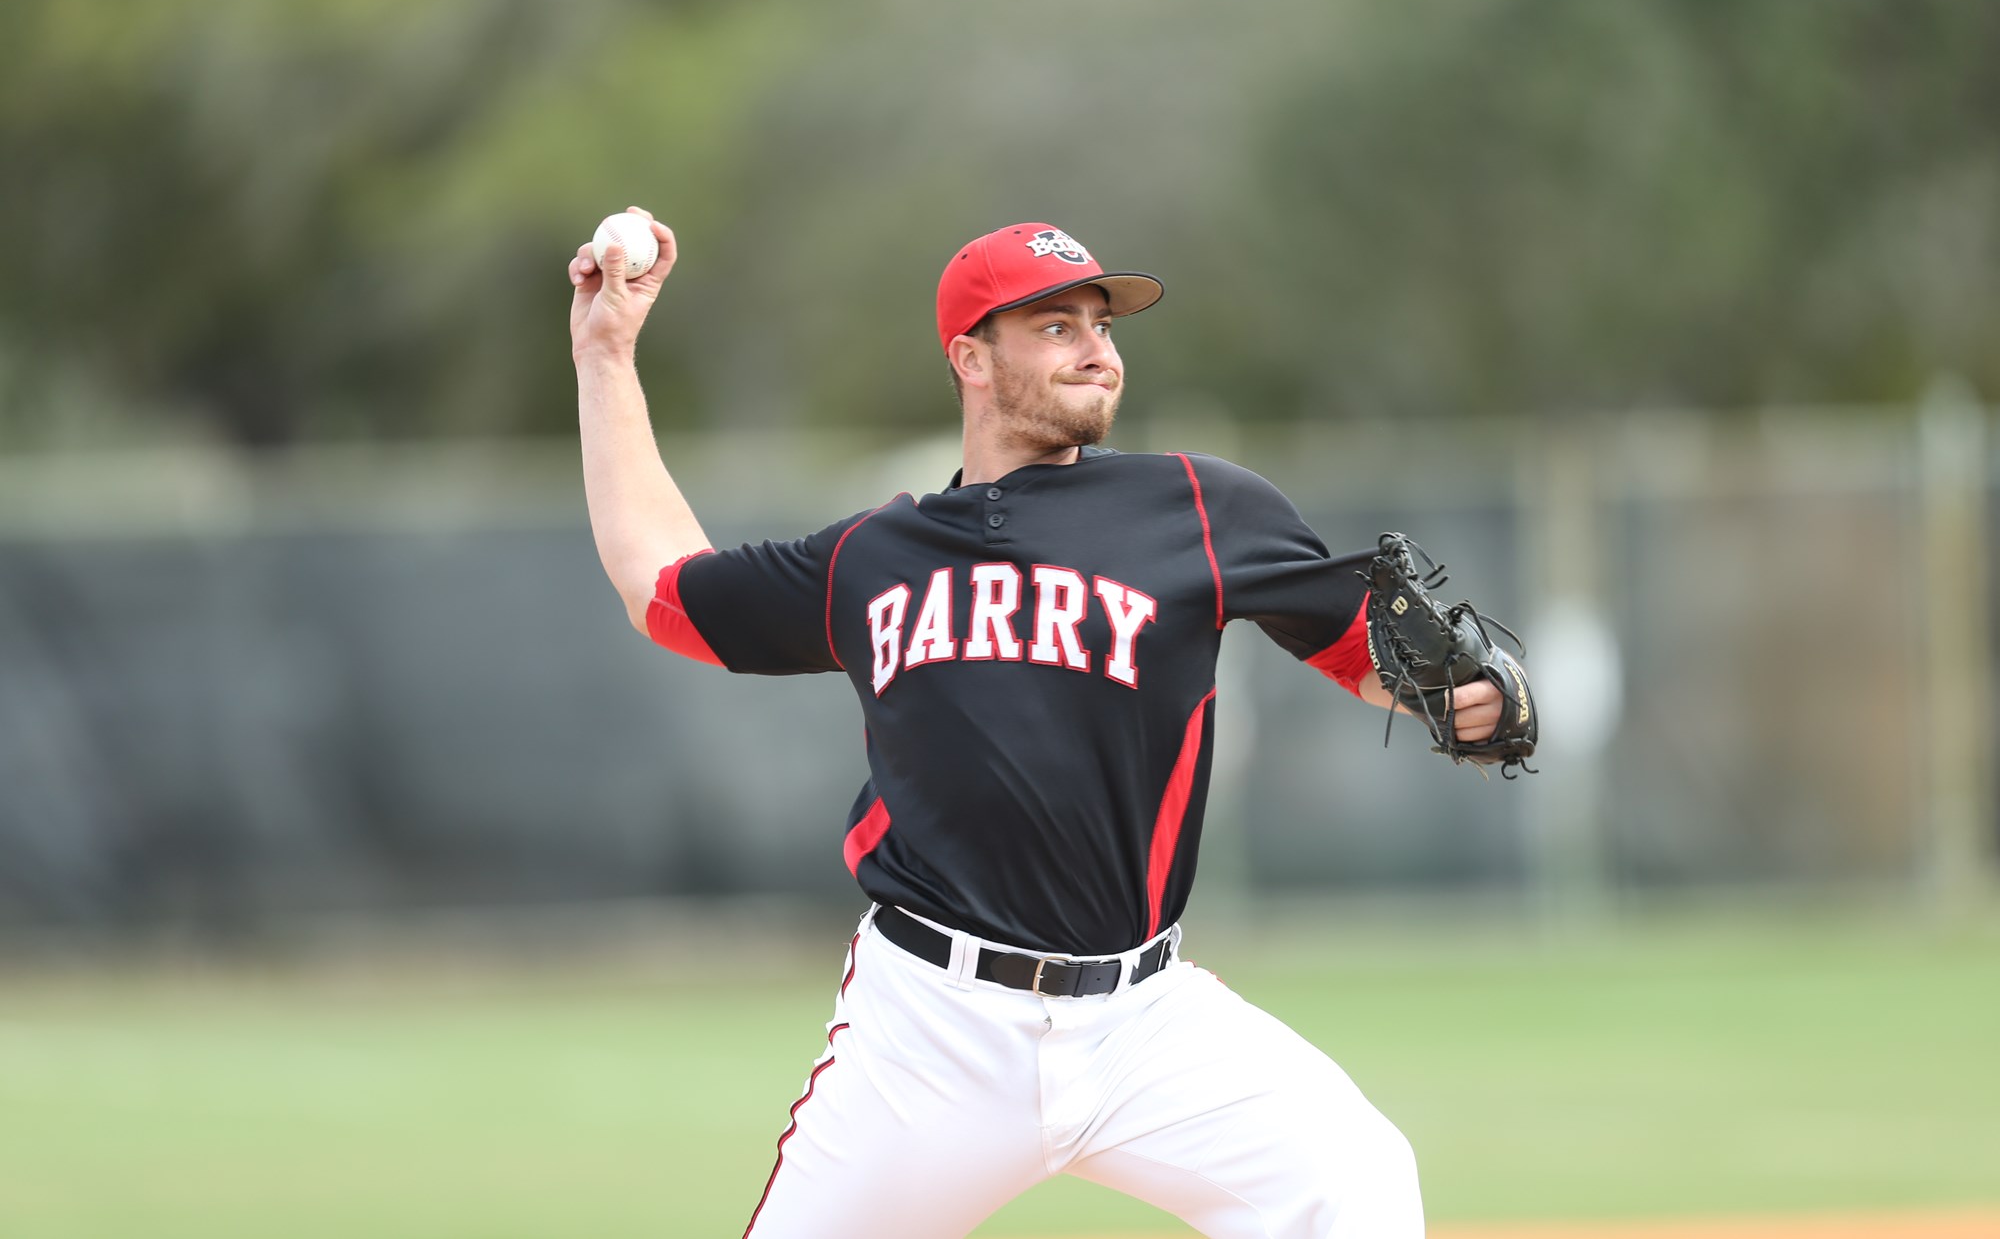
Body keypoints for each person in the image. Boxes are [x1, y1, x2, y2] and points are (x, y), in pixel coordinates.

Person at [568, 212, 1511, 1238]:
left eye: (1101, 325)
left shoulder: (1196, 506)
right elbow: (657, 586)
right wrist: (605, 351)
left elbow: (1365, 655)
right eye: (1055, 326)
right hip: (928, 1030)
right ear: (970, 357)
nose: (1096, 348)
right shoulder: (874, 555)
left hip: (1142, 1021)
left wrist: (1460, 699)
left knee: (1356, 1180)